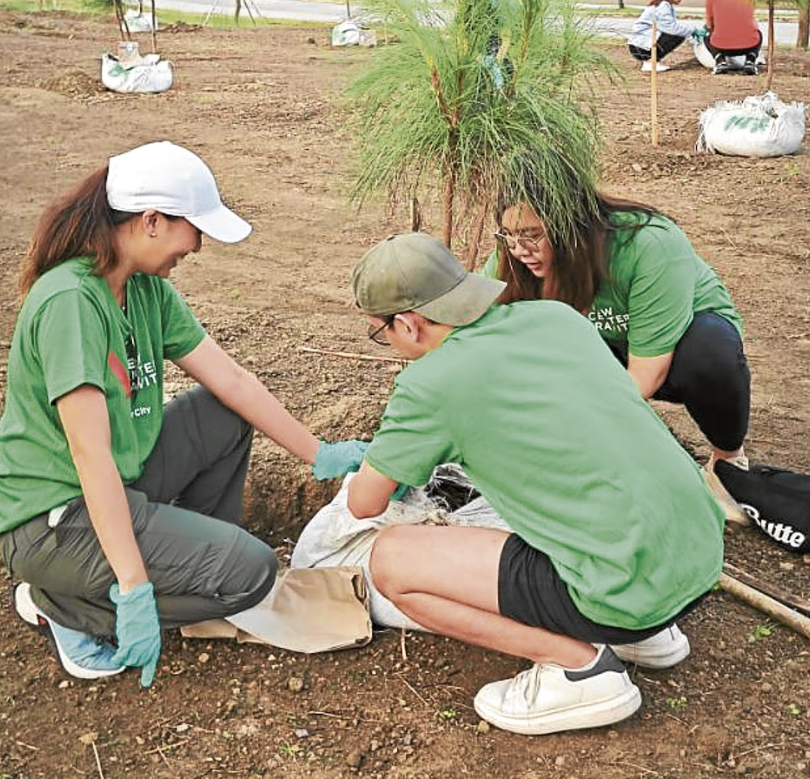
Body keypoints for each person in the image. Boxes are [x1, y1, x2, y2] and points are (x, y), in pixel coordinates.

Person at [0, 141, 366, 686]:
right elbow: (89, 453)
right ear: (149, 221)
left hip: (117, 484)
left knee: (221, 414)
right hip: (55, 518)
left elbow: (231, 381)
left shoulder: (146, 290)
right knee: (252, 574)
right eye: (192, 228)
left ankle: (190, 562)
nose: (196, 246)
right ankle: (70, 607)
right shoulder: (71, 303)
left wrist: (319, 452)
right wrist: (132, 585)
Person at [347, 232, 724, 736]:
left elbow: (364, 502)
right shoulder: (554, 317)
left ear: (409, 324)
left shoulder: (430, 384)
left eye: (381, 333)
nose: (388, 345)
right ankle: (648, 635)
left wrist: (376, 453)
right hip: (697, 552)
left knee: (391, 559)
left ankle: (580, 668)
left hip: (623, 585)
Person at [488, 173, 751, 523]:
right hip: (601, 345)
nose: (520, 250)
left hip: (673, 347)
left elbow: (647, 373)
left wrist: (569, 432)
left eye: (532, 235)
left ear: (572, 225)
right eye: (509, 235)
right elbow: (484, 329)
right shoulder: (517, 256)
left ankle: (727, 461)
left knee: (709, 355)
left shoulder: (648, 244)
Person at [626, 0, 700, 72]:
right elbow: (671, 28)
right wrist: (692, 30)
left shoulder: (663, 4)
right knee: (677, 35)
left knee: (679, 33)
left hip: (638, 45)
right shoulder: (663, 7)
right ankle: (650, 63)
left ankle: (650, 62)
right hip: (641, 47)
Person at [704, 0, 762, 75]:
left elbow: (709, 24)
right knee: (758, 34)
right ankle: (750, 61)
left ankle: (720, 61)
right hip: (749, 44)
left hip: (721, 46)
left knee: (706, 34)